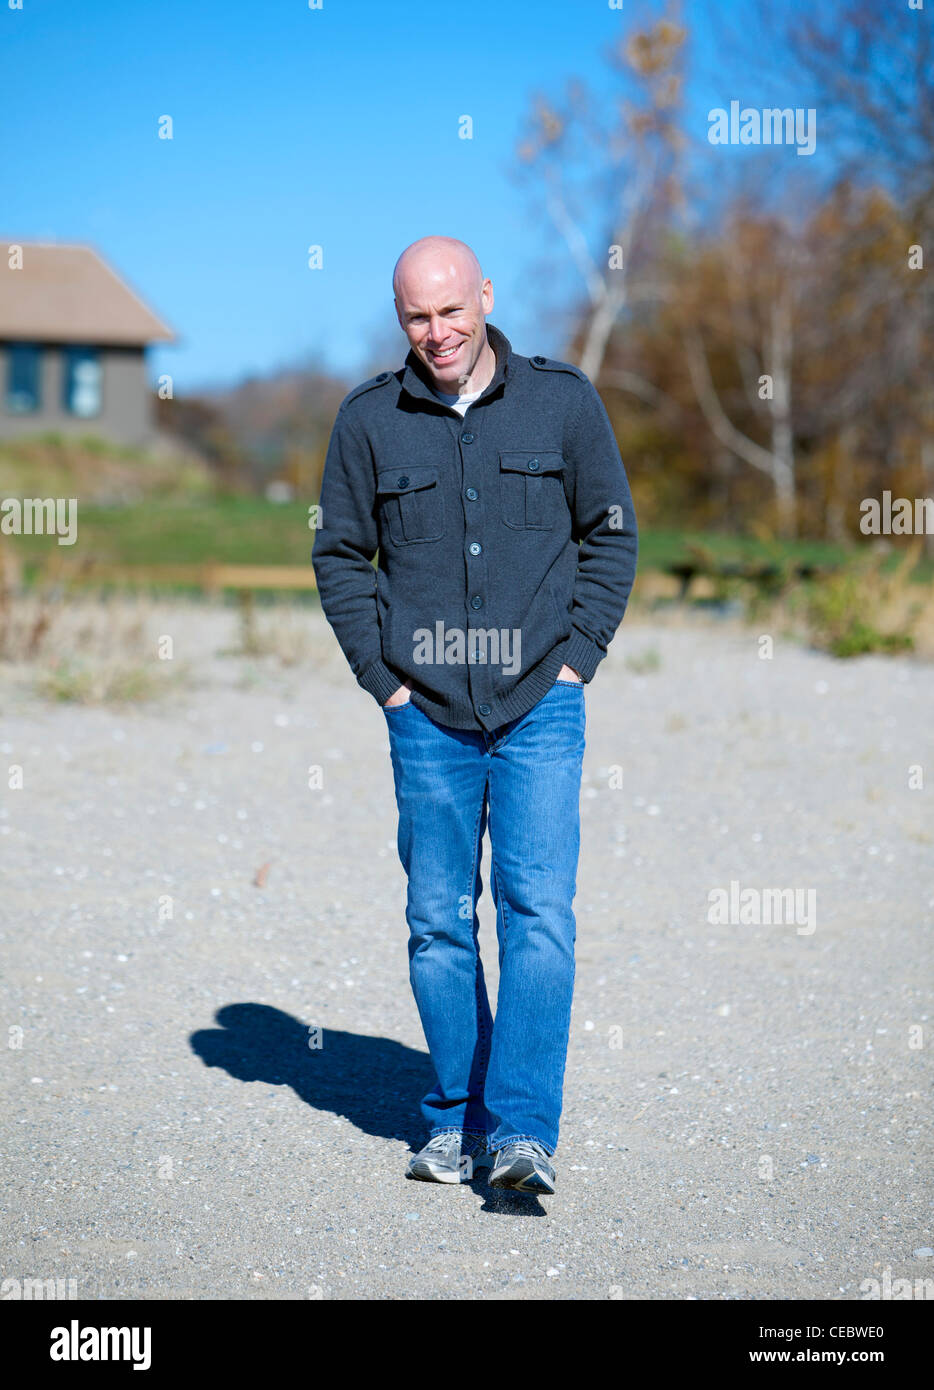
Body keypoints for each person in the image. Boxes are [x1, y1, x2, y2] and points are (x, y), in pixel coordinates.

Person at [312, 236, 637, 1194]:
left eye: (453, 311)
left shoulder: (563, 401)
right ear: (398, 317)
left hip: (543, 703)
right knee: (437, 923)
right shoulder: (370, 418)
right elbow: (339, 556)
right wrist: (385, 680)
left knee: (537, 915)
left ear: (486, 298)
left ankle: (523, 1130)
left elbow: (609, 533)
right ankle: (457, 1120)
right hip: (428, 719)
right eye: (418, 316)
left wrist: (579, 660)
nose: (438, 332)